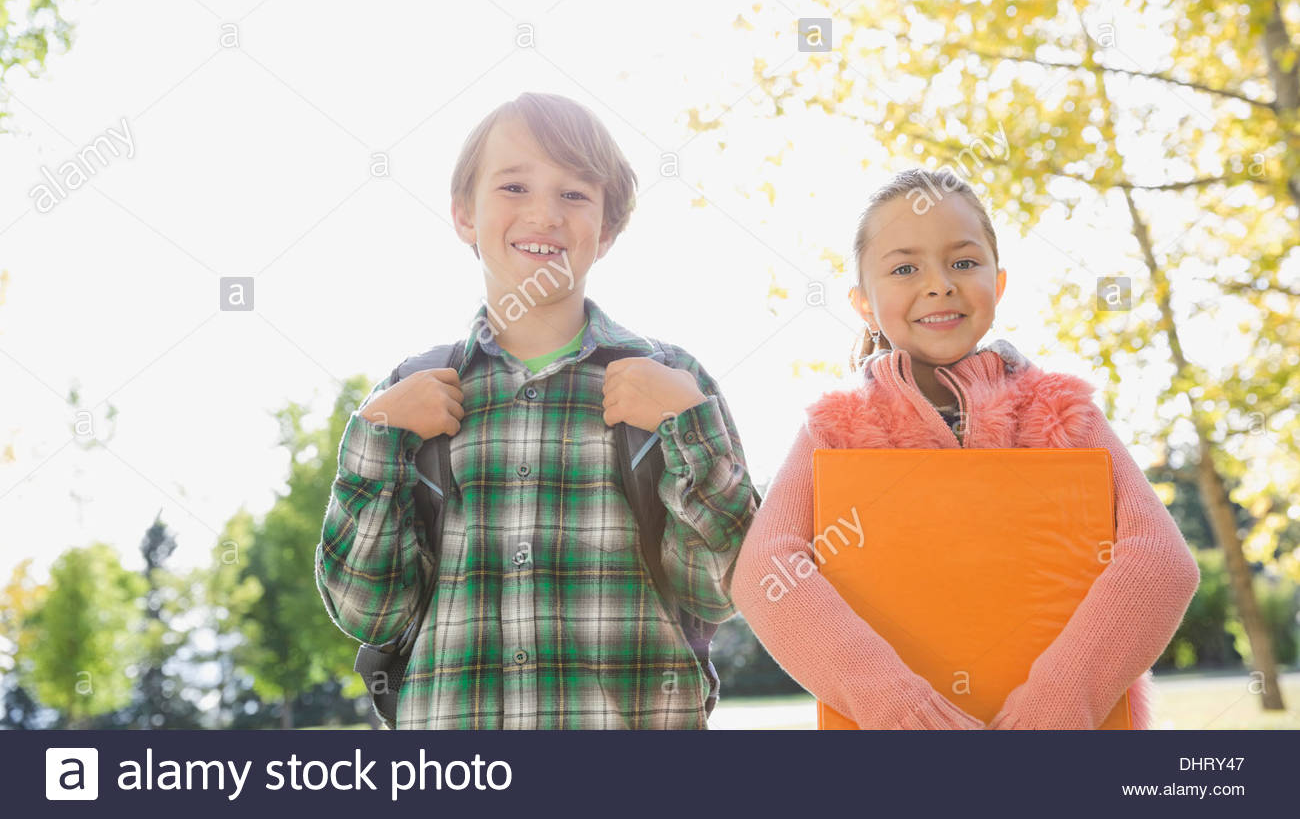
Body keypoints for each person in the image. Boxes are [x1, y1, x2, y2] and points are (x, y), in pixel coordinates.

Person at [315, 91, 758, 728]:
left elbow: (720, 589)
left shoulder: (675, 384)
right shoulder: (410, 395)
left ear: (606, 230)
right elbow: (368, 612)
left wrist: (691, 427)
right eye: (515, 187)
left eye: (575, 194)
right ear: (464, 214)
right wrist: (377, 445)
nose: (544, 214)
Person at [730, 167, 1199, 729]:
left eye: (963, 262)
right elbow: (763, 572)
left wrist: (1057, 703)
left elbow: (1162, 562)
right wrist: (897, 705)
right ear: (862, 302)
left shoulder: (1064, 414)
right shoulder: (835, 429)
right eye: (905, 267)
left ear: (997, 284)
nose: (939, 284)